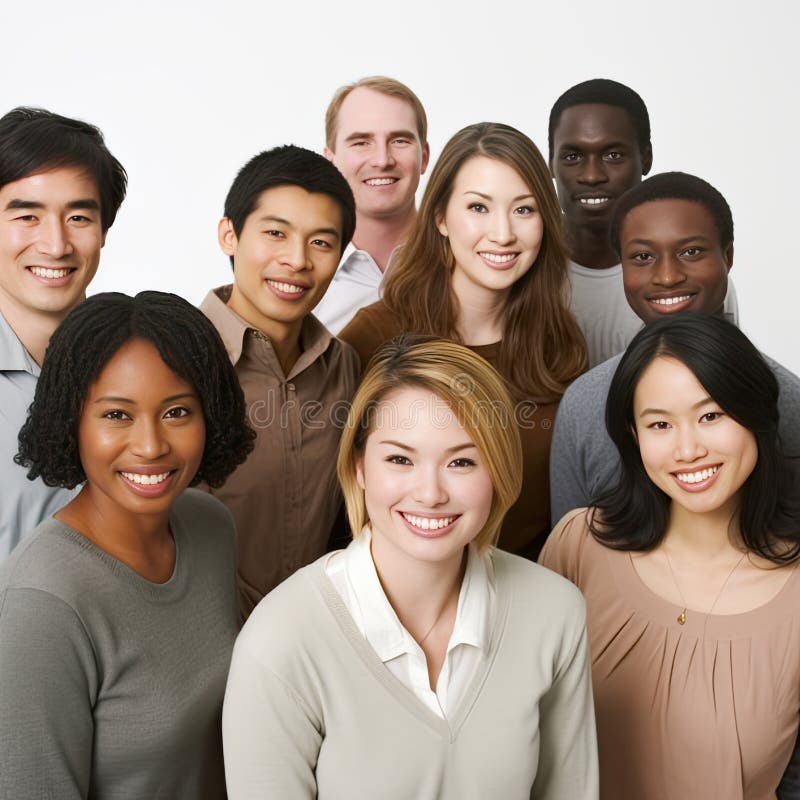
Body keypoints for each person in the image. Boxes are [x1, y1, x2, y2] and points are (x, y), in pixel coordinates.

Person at [223, 336, 598, 799]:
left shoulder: (553, 611)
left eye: (461, 461)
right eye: (400, 459)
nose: (430, 493)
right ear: (359, 466)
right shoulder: (282, 639)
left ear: (498, 470)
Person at [0, 292, 255, 798]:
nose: (151, 445)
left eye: (178, 411)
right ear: (71, 420)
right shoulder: (44, 601)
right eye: (117, 415)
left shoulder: (211, 527)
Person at [540, 313, 800, 800]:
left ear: (757, 413)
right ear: (633, 437)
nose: (687, 449)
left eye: (711, 415)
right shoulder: (578, 545)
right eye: (660, 423)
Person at [339, 122, 587, 559]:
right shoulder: (374, 337)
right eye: (478, 207)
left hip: (527, 597)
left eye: (524, 210)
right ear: (440, 218)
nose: (503, 233)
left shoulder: (560, 346)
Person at [549, 171, 800, 524]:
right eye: (642, 257)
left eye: (691, 251)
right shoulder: (584, 404)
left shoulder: (788, 400)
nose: (668, 276)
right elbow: (569, 554)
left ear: (727, 256)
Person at [200, 144, 361, 618]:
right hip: (201, 645)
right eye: (275, 233)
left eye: (321, 242)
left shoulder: (345, 367)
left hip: (313, 642)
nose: (296, 260)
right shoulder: (172, 357)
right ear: (229, 234)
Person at [0, 107, 127, 556]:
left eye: (78, 218)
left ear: (104, 230)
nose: (55, 246)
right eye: (27, 217)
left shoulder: (140, 364)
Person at [549, 79, 738, 366]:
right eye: (572, 156)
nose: (592, 176)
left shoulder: (695, 281)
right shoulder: (523, 270)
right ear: (550, 162)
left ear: (645, 157)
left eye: (613, 155)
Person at [313, 76, 430, 333]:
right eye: (361, 142)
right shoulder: (300, 276)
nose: (382, 160)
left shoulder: (468, 263)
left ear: (424, 157)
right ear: (330, 162)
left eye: (399, 140)